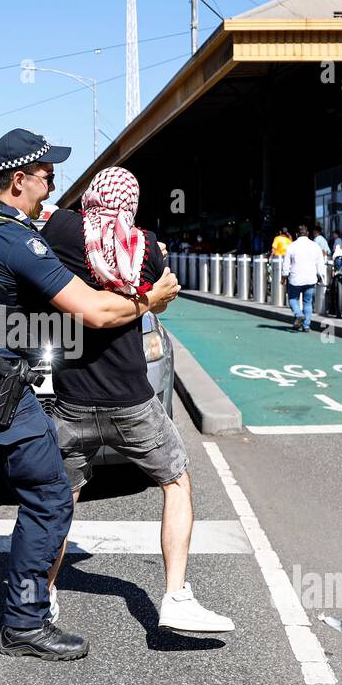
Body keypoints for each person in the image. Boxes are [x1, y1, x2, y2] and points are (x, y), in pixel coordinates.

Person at [0, 128, 180, 661]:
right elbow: (94, 311)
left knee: (7, 473)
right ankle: (24, 621)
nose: (52, 184)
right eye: (46, 175)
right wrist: (148, 299)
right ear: (18, 179)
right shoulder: (15, 240)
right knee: (49, 493)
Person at [40, 167, 232, 633]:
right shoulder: (143, 245)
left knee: (61, 499)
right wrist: (146, 293)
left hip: (71, 399)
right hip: (131, 399)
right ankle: (176, 596)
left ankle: (43, 596)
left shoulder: (62, 229)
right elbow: (158, 300)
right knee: (176, 481)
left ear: (91, 195)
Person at [283, 224, 325, 332]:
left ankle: (299, 314)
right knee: (308, 301)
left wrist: (284, 276)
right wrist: (321, 276)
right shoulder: (315, 246)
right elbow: (320, 263)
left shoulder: (291, 246)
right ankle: (306, 325)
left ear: (296, 234)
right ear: (307, 234)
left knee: (292, 299)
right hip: (310, 278)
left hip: (295, 278)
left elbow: (286, 263)